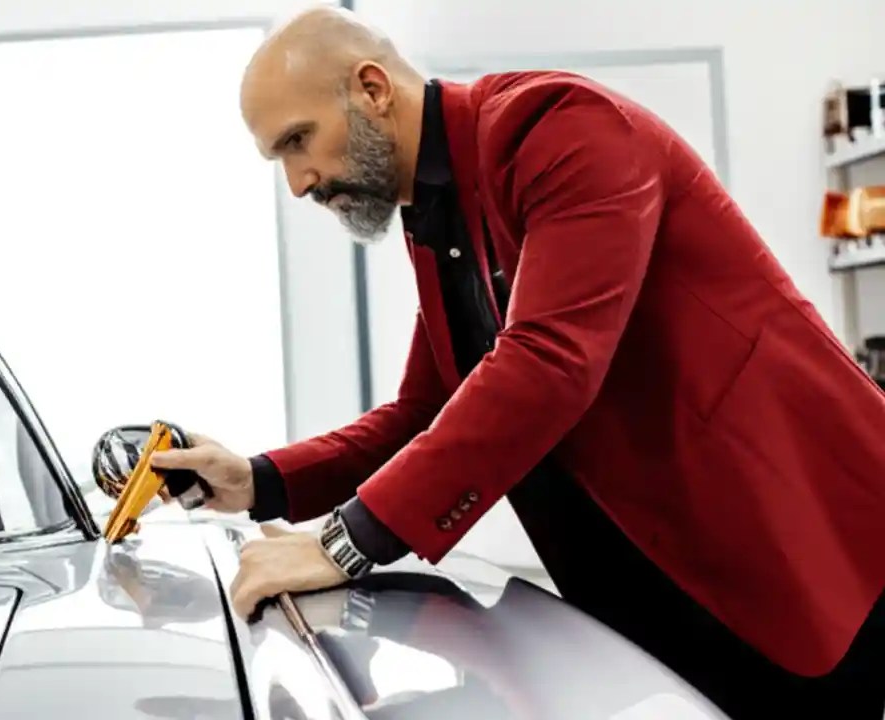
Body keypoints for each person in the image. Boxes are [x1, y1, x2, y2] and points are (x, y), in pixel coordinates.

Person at [149, 5, 885, 717]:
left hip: (812, 544)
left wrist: (344, 544)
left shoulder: (562, 129)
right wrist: (258, 482)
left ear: (372, 89)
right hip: (677, 584)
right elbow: (422, 414)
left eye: (298, 142)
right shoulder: (438, 215)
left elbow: (547, 364)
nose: (299, 182)